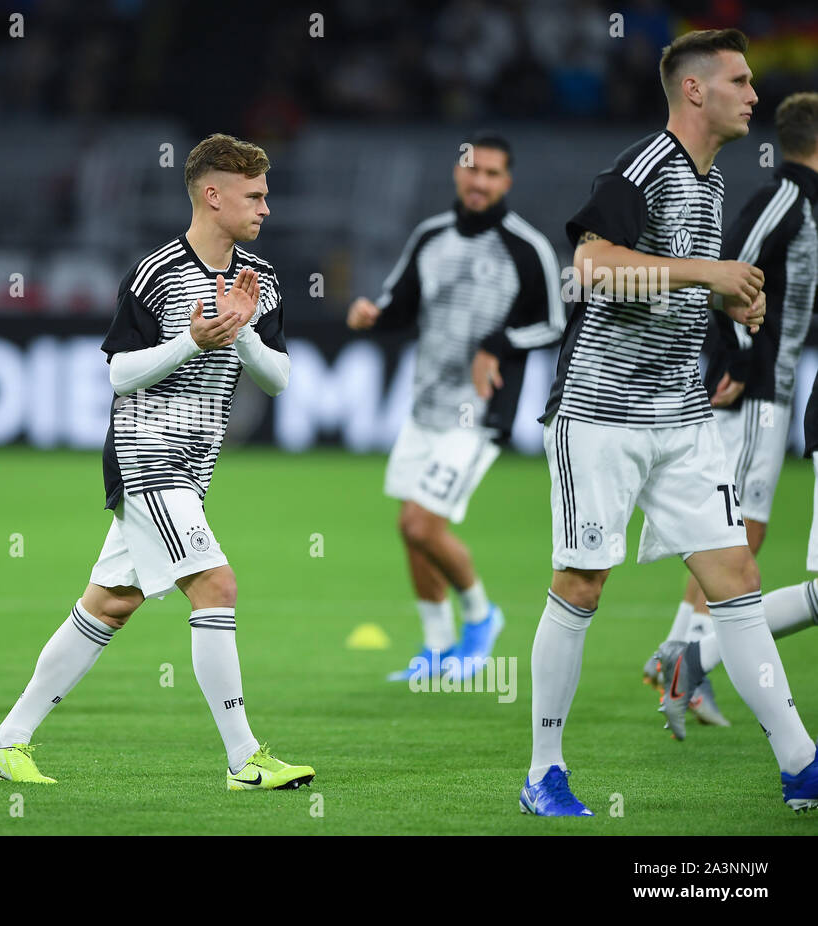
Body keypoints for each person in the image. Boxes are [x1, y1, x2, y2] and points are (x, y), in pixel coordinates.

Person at [521, 30, 818, 816]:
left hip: (681, 416)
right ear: (695, 90)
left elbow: (669, 280)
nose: (755, 94)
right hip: (600, 414)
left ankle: (800, 762)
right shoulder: (641, 167)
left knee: (737, 577)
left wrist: (723, 298)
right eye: (741, 80)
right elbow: (590, 266)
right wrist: (708, 273)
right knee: (582, 583)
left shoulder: (714, 184)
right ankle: (543, 771)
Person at [0, 134, 314, 790]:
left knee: (109, 603)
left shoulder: (261, 281)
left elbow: (279, 380)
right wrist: (192, 338)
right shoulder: (158, 272)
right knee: (216, 586)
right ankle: (244, 758)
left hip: (195, 466)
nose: (266, 209)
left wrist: (239, 331)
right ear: (213, 196)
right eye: (255, 196)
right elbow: (119, 373)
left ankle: (6, 741)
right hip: (145, 454)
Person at [346, 133, 564, 682]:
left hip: (478, 410)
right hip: (425, 405)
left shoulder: (525, 246)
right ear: (457, 174)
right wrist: (373, 314)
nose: (480, 181)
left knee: (422, 523)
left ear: (506, 182)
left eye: (492, 174)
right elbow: (401, 305)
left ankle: (481, 615)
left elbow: (555, 323)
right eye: (473, 171)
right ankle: (438, 647)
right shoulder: (430, 236)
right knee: (409, 526)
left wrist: (497, 345)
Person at [644, 91, 818, 734]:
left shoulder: (809, 206)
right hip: (752, 393)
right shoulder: (786, 200)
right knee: (735, 537)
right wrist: (737, 360)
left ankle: (680, 659)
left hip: (773, 388)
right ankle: (682, 662)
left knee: (742, 536)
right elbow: (725, 274)